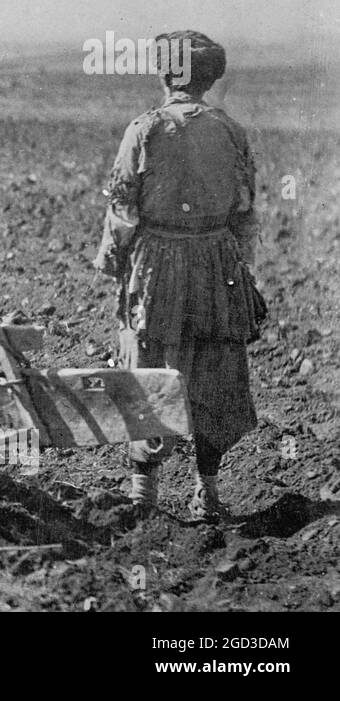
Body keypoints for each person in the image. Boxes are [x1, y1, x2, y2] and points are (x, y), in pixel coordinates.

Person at [94, 30, 266, 522]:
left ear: (166, 75)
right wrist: (238, 268)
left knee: (148, 366)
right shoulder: (231, 131)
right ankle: (207, 492)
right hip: (217, 266)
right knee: (216, 371)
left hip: (156, 267)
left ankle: (142, 495)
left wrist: (113, 263)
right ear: (210, 78)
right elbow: (245, 210)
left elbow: (122, 208)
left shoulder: (144, 130)